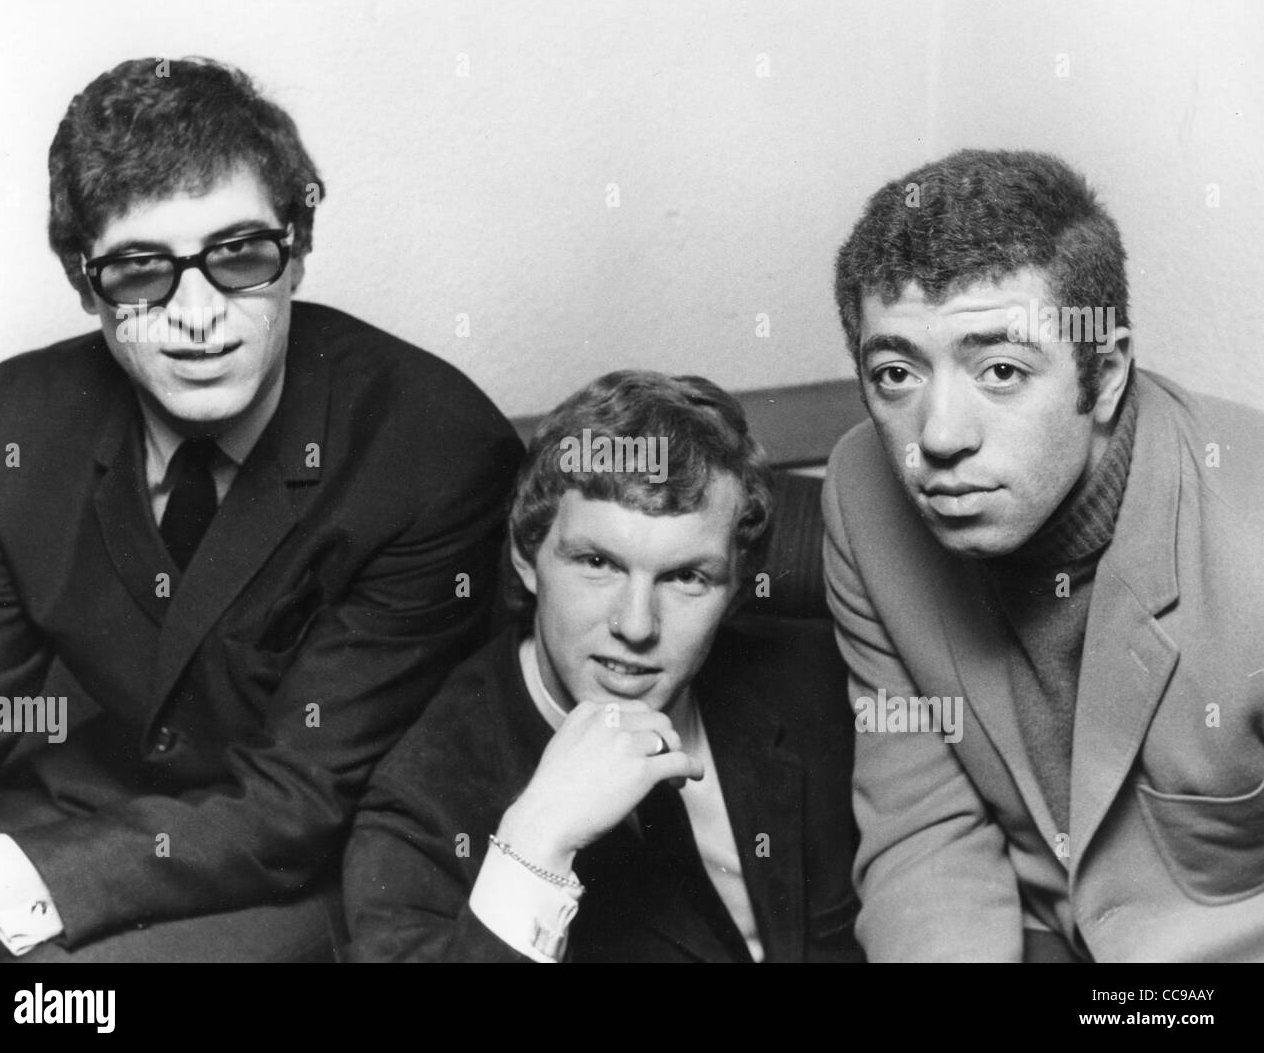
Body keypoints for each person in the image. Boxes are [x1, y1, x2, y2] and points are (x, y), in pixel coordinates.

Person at [0, 57, 522, 961]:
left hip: (302, 868)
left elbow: (297, 802)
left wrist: (19, 877)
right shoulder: (11, 421)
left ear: (296, 250)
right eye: (142, 271)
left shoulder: (434, 450)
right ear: (83, 282)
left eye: (239, 256)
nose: (198, 316)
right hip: (74, 813)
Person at [822, 148, 1264, 962]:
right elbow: (926, 833)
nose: (941, 437)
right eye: (895, 373)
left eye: (1000, 370)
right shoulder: (861, 495)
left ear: (1105, 375)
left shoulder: (1253, 531)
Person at [345, 370, 863, 962]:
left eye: (686, 577)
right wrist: (537, 843)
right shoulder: (423, 801)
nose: (636, 626)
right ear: (526, 556)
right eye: (598, 562)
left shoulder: (821, 686)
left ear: (738, 587)